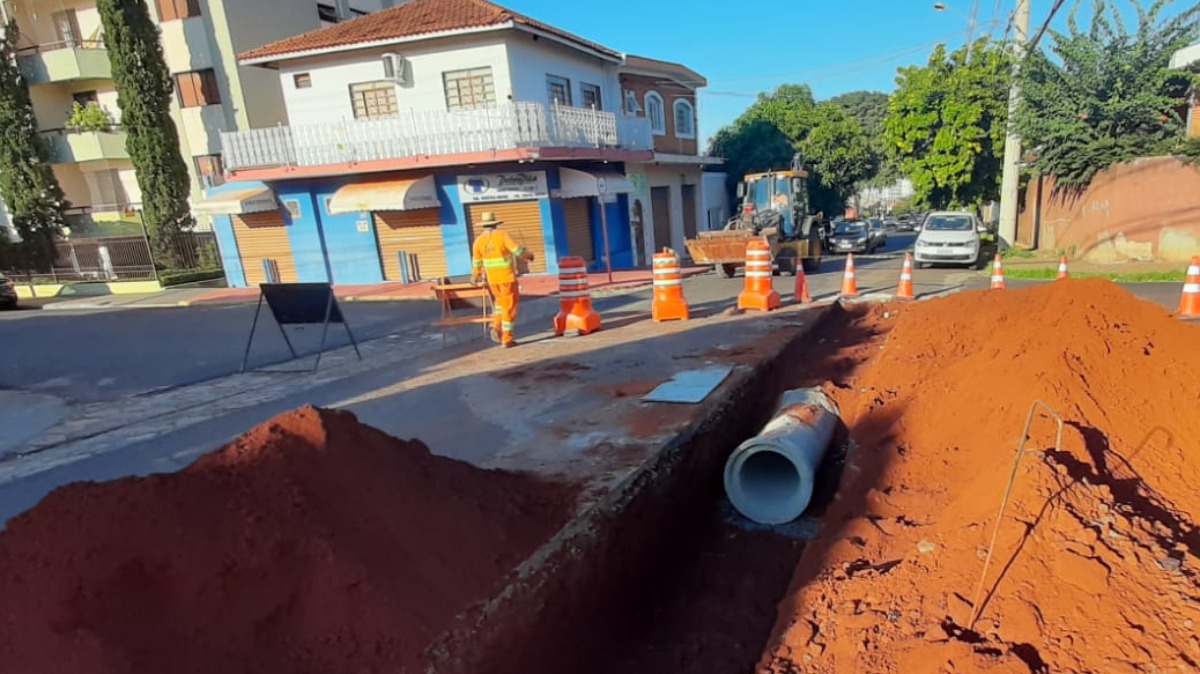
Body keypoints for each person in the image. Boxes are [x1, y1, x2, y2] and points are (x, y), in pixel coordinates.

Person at [471, 211, 535, 348]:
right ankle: (507, 338)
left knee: (500, 304)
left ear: (483, 225)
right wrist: (528, 255)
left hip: (492, 279)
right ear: (495, 223)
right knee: (509, 307)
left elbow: (477, 262)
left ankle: (496, 325)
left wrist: (475, 276)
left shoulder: (478, 241)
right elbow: (516, 250)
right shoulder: (502, 235)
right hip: (507, 277)